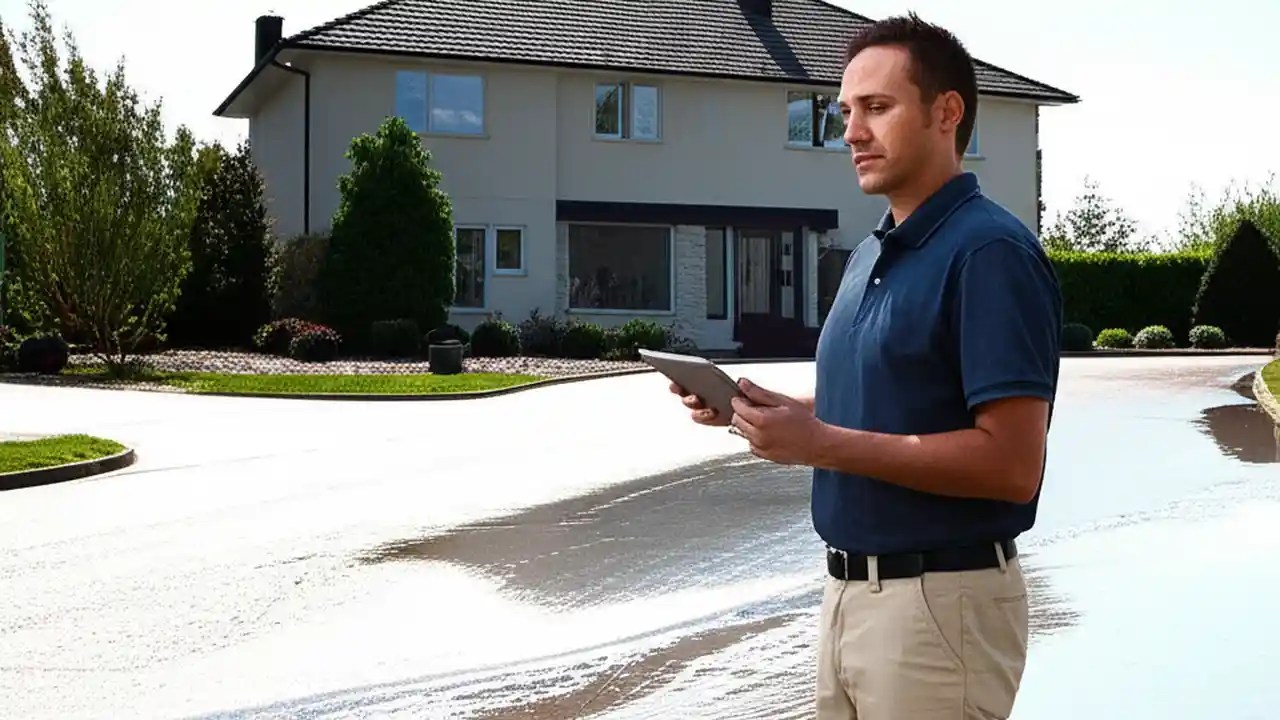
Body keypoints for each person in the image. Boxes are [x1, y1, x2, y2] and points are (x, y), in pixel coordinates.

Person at [670, 12, 1062, 720]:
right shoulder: (869, 255)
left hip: (942, 609)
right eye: (845, 112)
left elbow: (1011, 465)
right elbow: (874, 401)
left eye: (877, 107)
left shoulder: (989, 254)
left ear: (947, 113)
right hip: (846, 597)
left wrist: (818, 446)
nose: (850, 130)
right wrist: (762, 408)